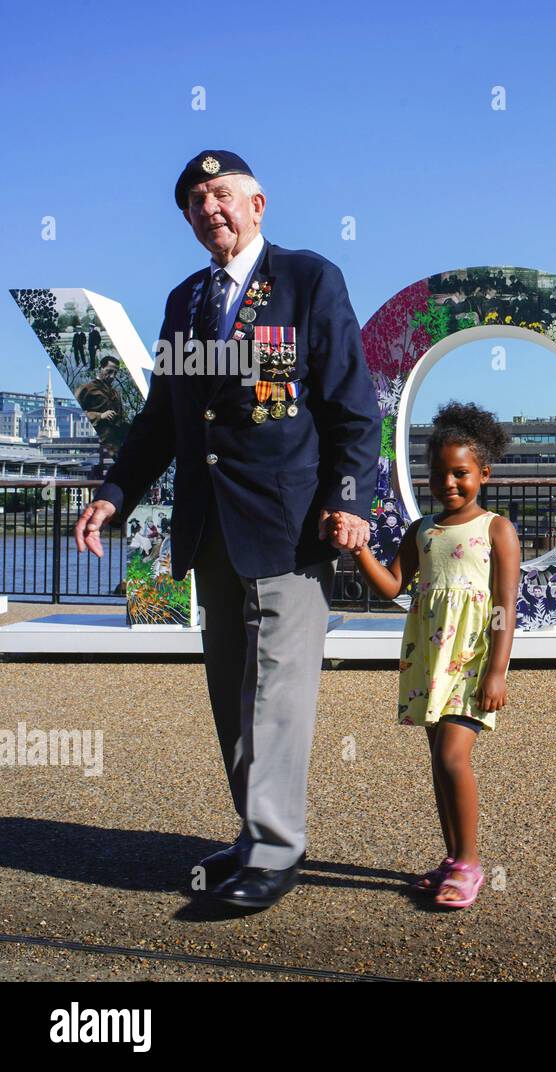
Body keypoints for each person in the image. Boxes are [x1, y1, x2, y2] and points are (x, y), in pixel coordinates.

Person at [72, 149, 382, 911]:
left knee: (278, 690)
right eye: (194, 202)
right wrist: (115, 491)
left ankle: (277, 851)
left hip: (289, 524)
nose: (208, 208)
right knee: (231, 693)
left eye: (220, 194)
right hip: (209, 525)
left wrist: (351, 498)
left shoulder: (309, 280)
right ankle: (254, 833)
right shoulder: (184, 302)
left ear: (258, 204)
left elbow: (350, 404)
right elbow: (161, 420)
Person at [348, 401, 521, 910]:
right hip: (427, 660)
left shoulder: (496, 530)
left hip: (469, 664)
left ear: (483, 474)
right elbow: (391, 586)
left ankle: (469, 863)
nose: (448, 483)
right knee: (437, 763)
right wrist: (358, 551)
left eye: (460, 473)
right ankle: (452, 859)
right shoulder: (422, 530)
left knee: (452, 757)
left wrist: (496, 671)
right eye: (439, 473)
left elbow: (505, 608)